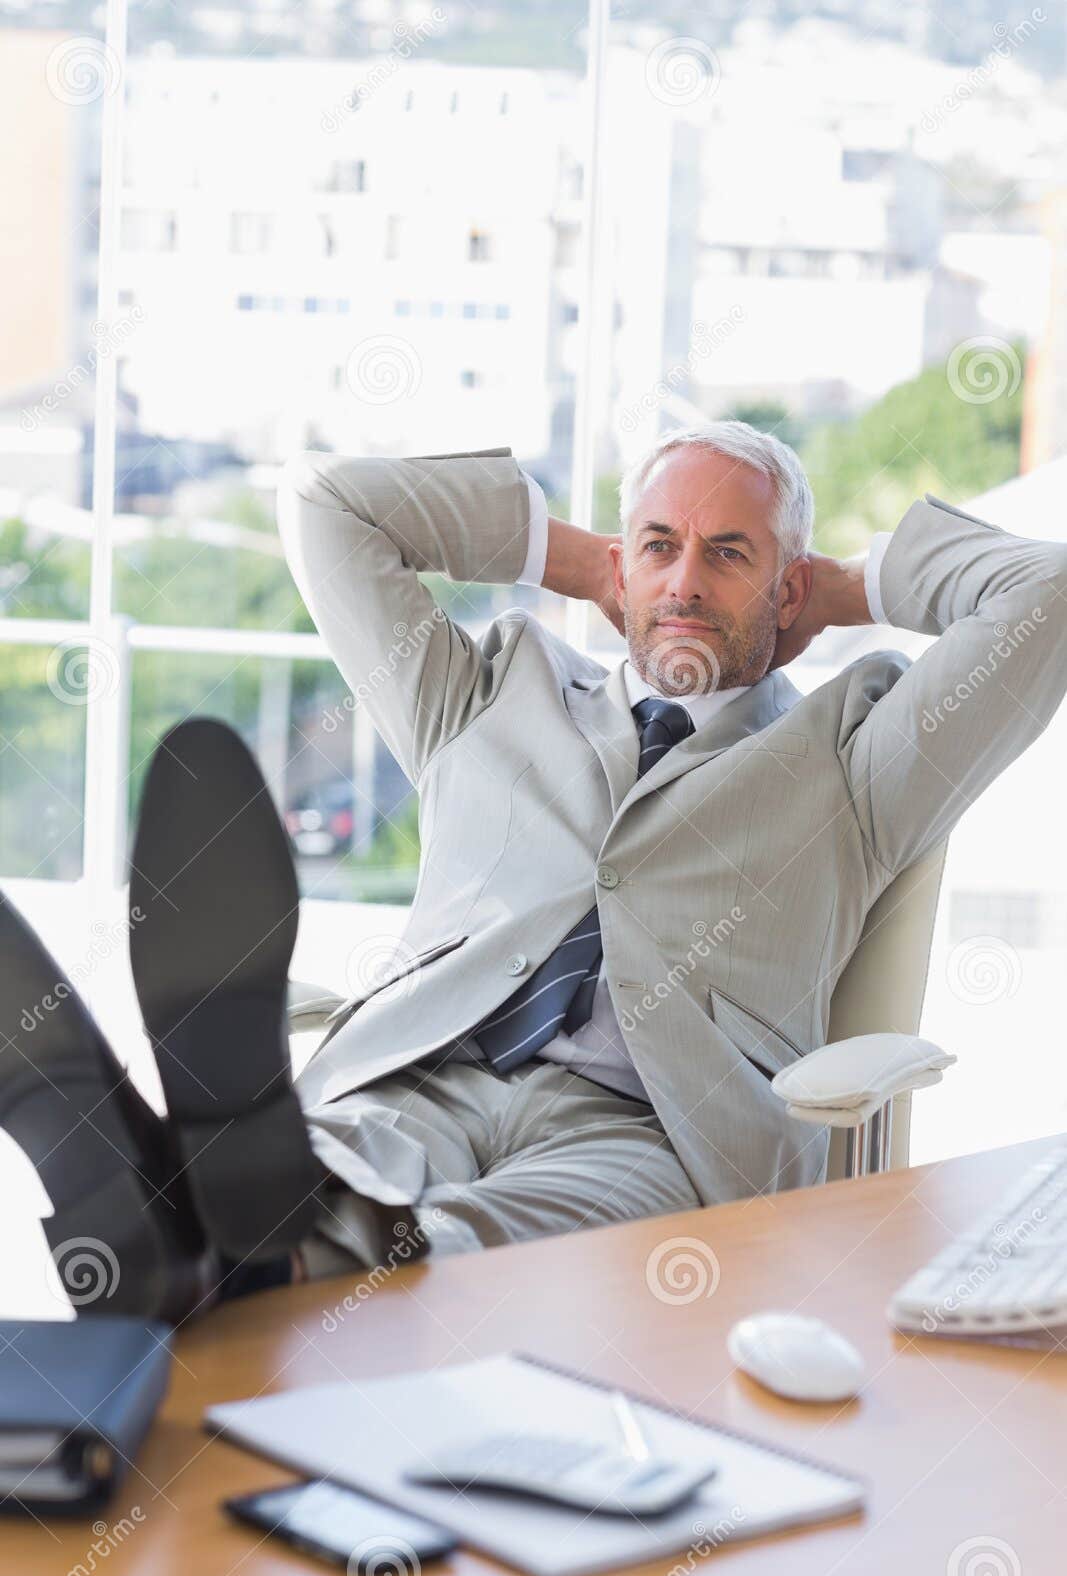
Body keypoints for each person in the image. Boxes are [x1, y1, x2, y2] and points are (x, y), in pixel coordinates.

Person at [3, 422, 1063, 1320]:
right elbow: (328, 504)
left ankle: (196, 1227)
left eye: (728, 554)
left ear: (786, 588)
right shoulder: (485, 690)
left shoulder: (856, 756)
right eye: (658, 547)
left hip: (648, 1126)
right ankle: (229, 1217)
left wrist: (846, 586)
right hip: (426, 1069)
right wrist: (575, 560)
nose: (684, 582)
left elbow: (1047, 592)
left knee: (475, 1238)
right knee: (344, 1160)